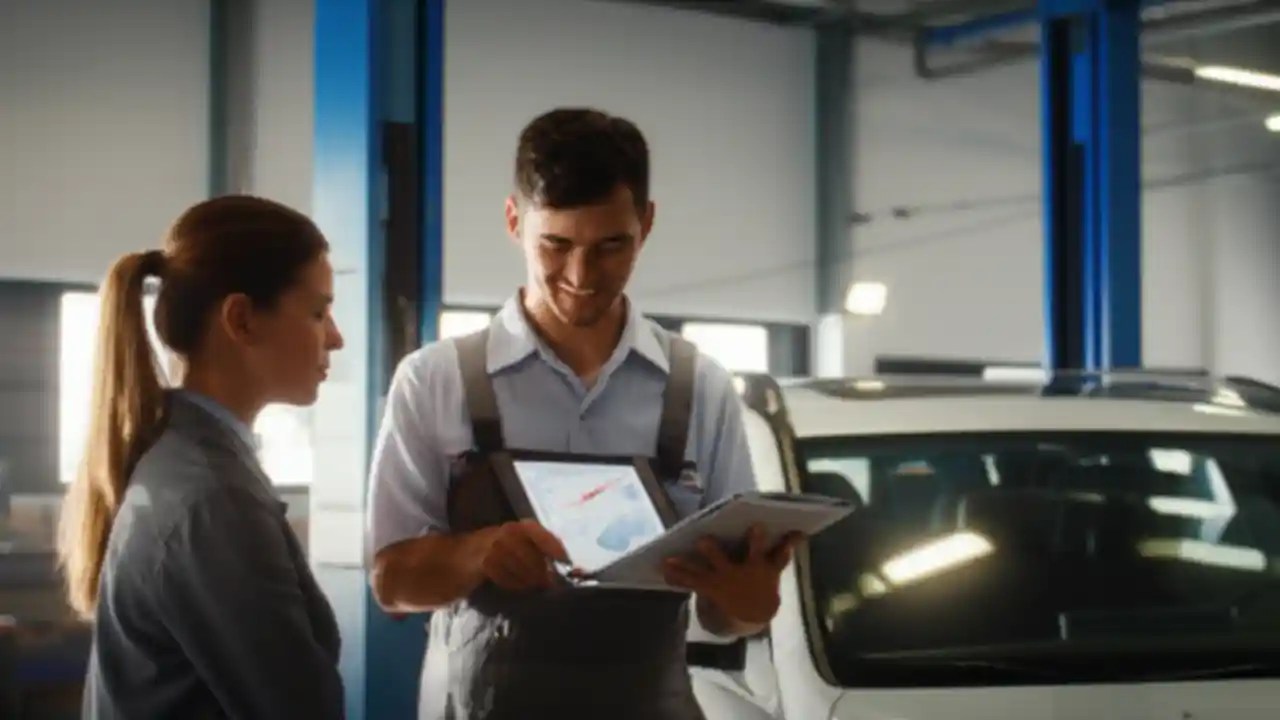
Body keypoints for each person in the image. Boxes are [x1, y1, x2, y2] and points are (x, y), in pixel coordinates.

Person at [366, 108, 800, 719]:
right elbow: (391, 581)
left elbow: (729, 617)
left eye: (610, 247)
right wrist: (476, 553)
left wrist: (752, 601)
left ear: (646, 225)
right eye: (556, 245)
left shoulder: (702, 387)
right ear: (514, 221)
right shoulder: (435, 381)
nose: (580, 276)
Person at [56, 195, 347, 719]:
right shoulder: (214, 498)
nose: (336, 337)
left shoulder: (186, 461)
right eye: (318, 312)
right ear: (241, 319)